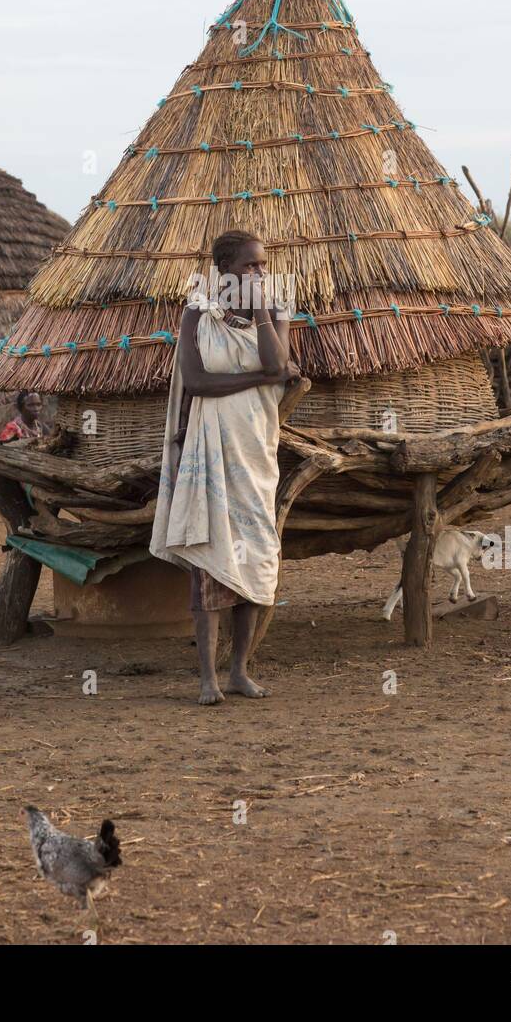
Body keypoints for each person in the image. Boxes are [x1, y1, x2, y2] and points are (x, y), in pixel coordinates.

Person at [150, 230, 299, 705]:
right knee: (211, 560)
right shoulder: (198, 312)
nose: (258, 273)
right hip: (208, 451)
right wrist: (260, 377)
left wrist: (259, 310)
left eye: (262, 266)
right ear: (223, 270)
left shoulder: (275, 309)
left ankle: (240, 671)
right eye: (249, 266)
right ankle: (207, 679)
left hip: (255, 449)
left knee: (255, 557)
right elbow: (196, 380)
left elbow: (279, 361)